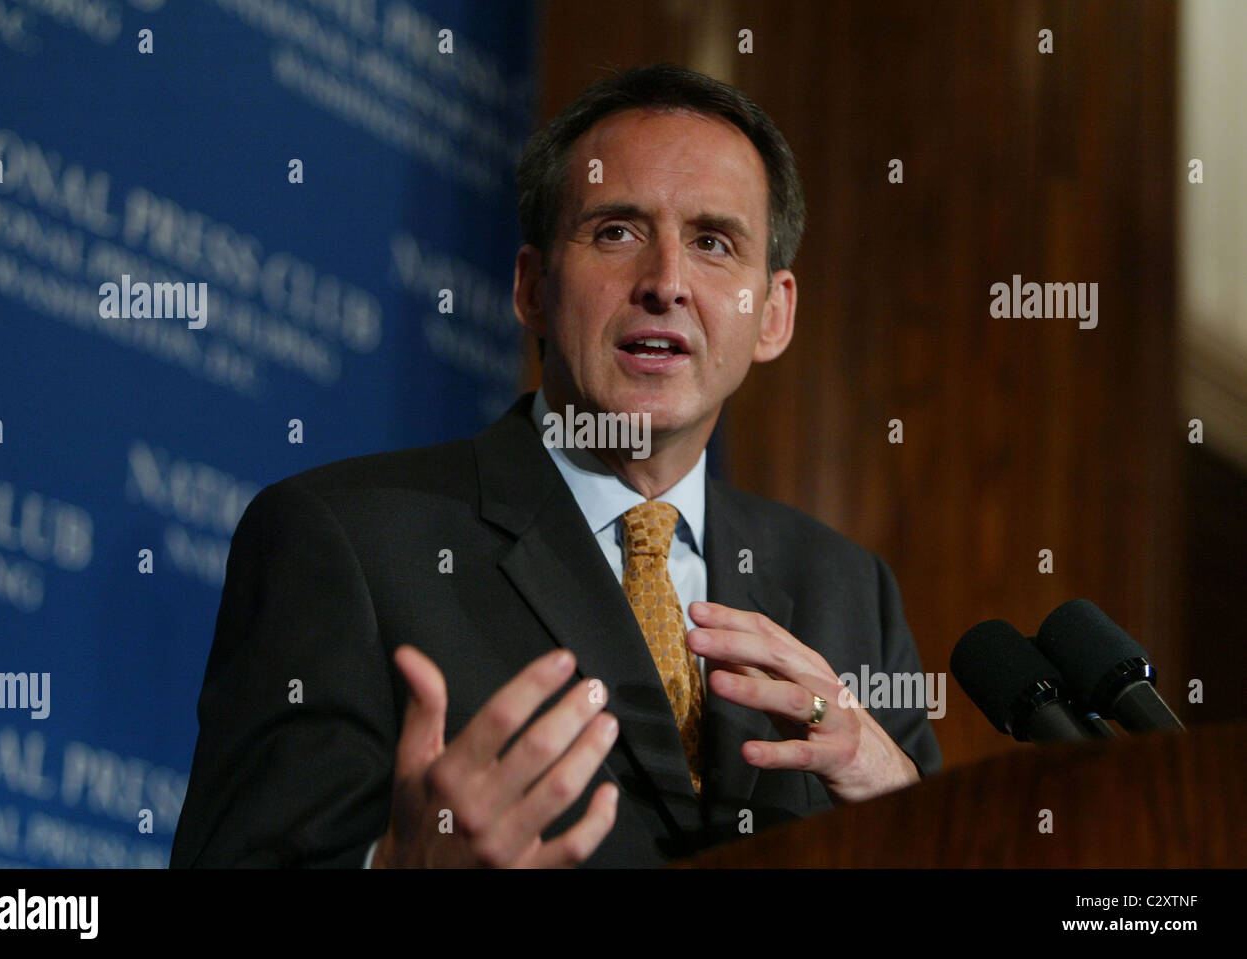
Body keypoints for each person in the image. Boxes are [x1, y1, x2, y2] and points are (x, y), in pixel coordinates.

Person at [170, 63, 942, 869]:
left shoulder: (850, 595)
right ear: (533, 287)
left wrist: (893, 792)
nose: (666, 283)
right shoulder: (347, 542)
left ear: (775, 313)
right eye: (617, 231)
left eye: (713, 242)